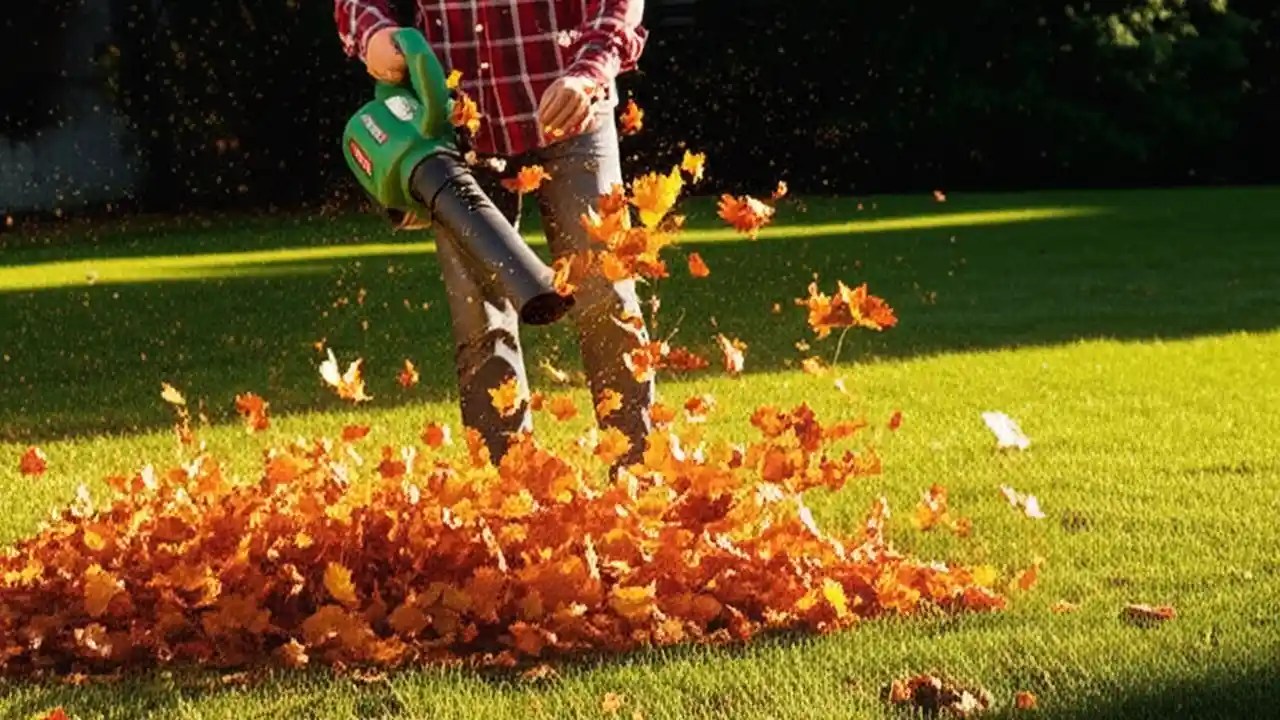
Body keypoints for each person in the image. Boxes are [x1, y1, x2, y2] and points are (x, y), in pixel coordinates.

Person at [334, 0, 653, 464]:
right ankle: (509, 490)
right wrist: (373, 33)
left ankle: (639, 476)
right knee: (479, 322)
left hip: (571, 104)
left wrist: (591, 68)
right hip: (455, 125)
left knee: (604, 296)